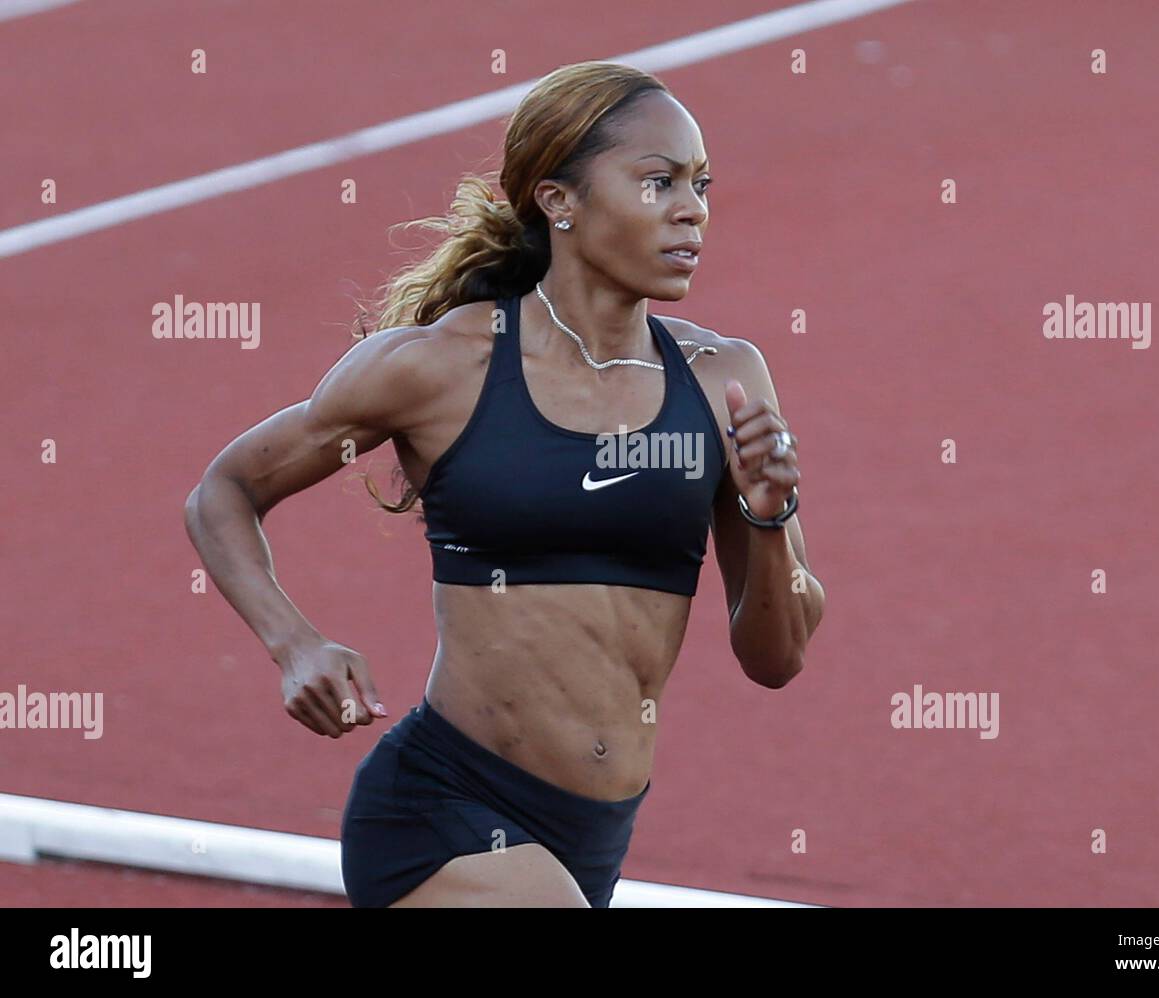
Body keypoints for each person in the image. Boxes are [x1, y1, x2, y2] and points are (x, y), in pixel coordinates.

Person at [183, 60, 826, 908]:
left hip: (592, 838)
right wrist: (295, 643)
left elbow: (775, 659)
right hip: (441, 810)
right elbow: (224, 492)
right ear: (559, 201)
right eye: (659, 182)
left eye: (700, 185)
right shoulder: (444, 367)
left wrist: (769, 515)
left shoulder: (722, 380)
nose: (693, 209)